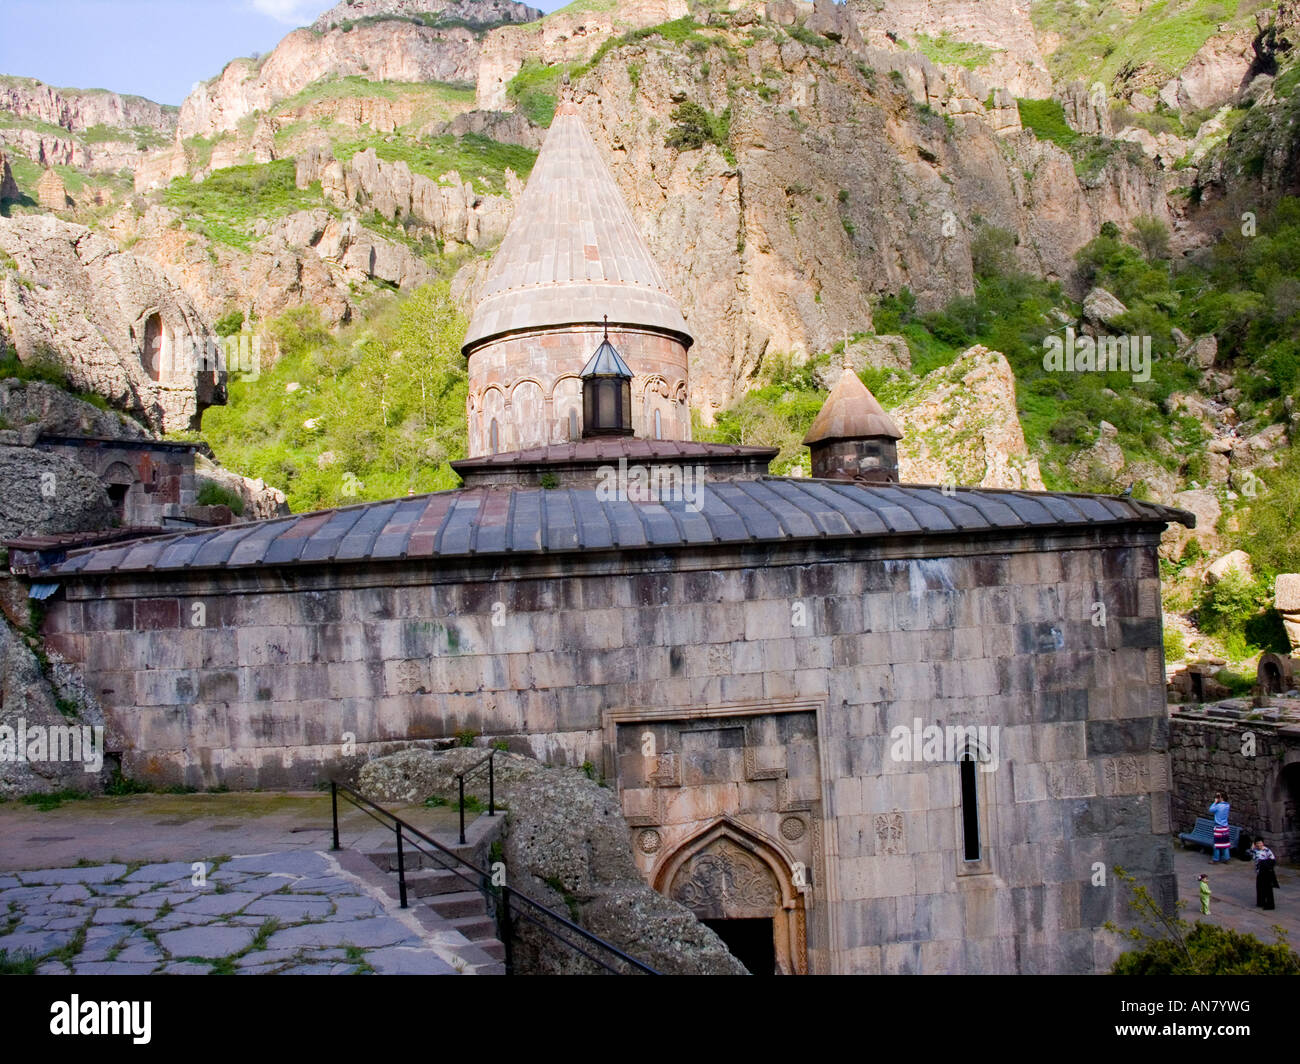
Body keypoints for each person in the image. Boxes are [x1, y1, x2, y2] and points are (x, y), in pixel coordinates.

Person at [1252, 840, 1280, 911]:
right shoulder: (1254, 850)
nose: (1259, 844)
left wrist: (1263, 863)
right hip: (1259, 872)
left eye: (1260, 843)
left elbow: (1272, 860)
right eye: (1257, 843)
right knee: (1259, 887)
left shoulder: (1267, 850)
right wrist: (1252, 847)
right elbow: (1251, 855)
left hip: (1266, 872)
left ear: (1263, 843)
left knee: (1268, 888)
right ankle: (1261, 902)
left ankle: (1270, 905)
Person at [1209, 792, 1231, 862]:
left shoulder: (1218, 806)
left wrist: (1215, 802)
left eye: (1218, 796)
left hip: (1219, 827)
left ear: (1221, 798)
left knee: (1217, 844)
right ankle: (1226, 858)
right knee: (1225, 844)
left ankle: (1215, 859)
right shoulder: (1227, 805)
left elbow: (1211, 809)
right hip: (1225, 827)